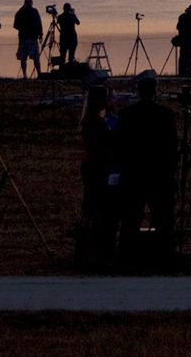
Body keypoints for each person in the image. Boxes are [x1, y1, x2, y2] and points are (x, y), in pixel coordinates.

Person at [116, 72, 178, 270]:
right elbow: (171, 146)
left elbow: (120, 144)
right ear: (155, 91)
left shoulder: (125, 115)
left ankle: (126, 256)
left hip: (134, 173)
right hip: (159, 174)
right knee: (163, 217)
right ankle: (167, 256)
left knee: (131, 217)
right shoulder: (166, 115)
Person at [76, 84, 119, 270]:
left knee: (92, 208)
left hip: (93, 169)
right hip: (98, 171)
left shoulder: (91, 121)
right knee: (99, 210)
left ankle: (88, 250)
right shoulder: (96, 123)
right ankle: (96, 251)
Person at [13, 0, 43, 78]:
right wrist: (40, 34)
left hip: (23, 38)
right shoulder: (34, 11)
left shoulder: (20, 12)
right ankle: (39, 73)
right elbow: (39, 23)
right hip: (33, 38)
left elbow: (15, 25)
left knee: (23, 58)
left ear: (25, 3)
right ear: (32, 3)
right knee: (36, 57)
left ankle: (25, 75)